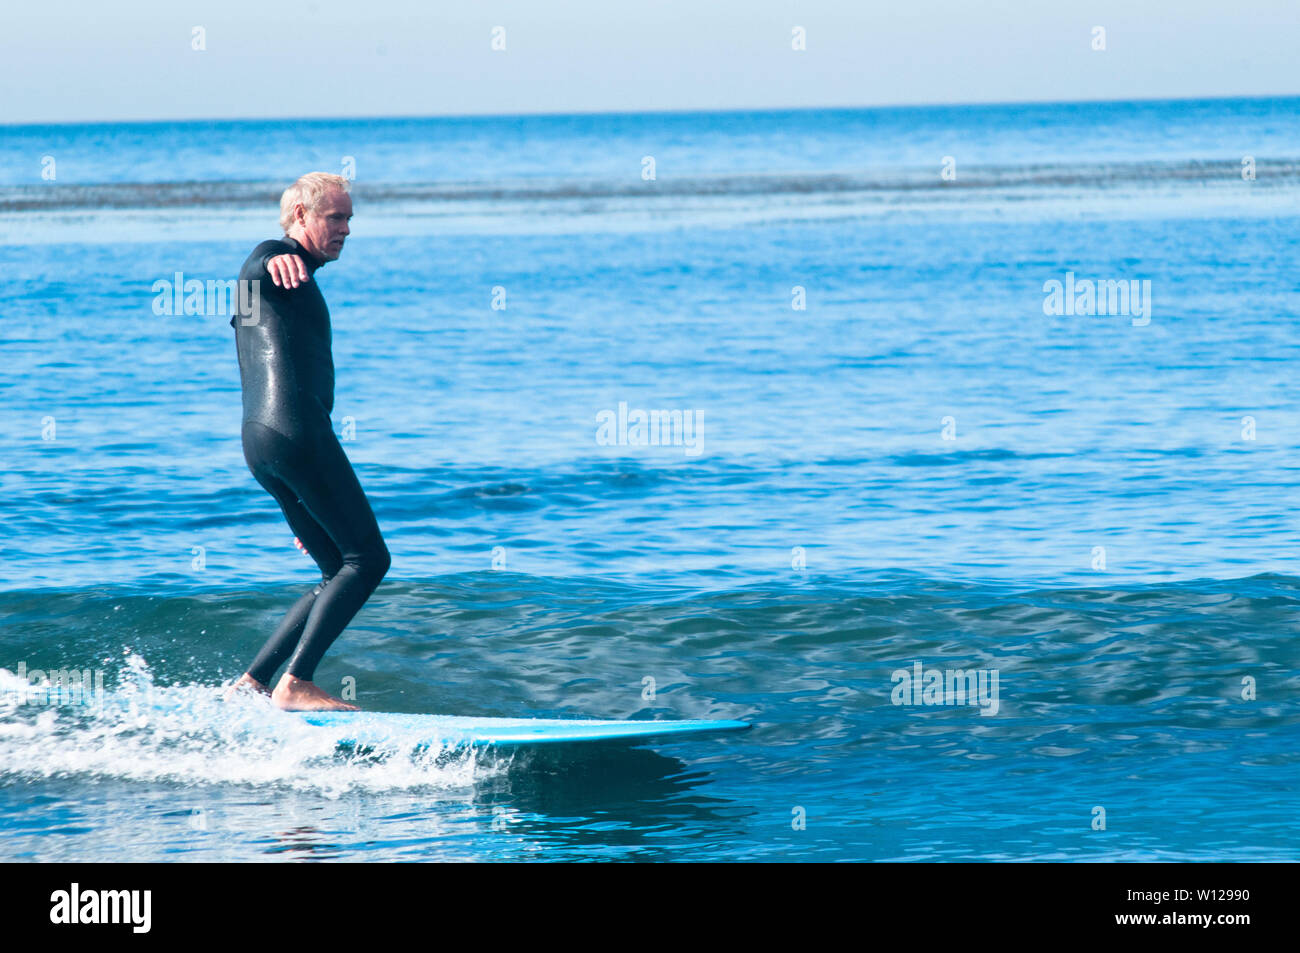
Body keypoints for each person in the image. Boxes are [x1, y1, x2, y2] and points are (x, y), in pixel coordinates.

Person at [225, 172, 390, 711]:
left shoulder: (287, 283)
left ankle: (253, 682)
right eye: (335, 217)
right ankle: (296, 683)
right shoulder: (275, 265)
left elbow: (244, 303)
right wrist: (269, 255)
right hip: (295, 434)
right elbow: (254, 269)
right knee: (368, 560)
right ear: (301, 216)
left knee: (335, 569)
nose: (346, 229)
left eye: (349, 218)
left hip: (263, 443)